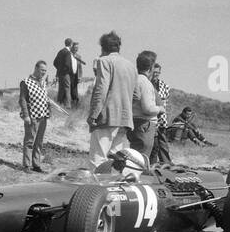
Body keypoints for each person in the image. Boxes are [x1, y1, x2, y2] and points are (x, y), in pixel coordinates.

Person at [87, 30, 135, 168]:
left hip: (107, 117)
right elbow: (135, 94)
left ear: (103, 47)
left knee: (97, 160)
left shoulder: (104, 61)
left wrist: (93, 115)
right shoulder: (130, 65)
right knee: (116, 162)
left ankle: (96, 189)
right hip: (125, 119)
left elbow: (101, 89)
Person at [18, 59, 51, 172]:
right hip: (32, 116)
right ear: (36, 68)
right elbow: (22, 99)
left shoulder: (43, 82)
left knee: (39, 141)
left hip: (43, 115)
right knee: (29, 141)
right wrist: (26, 115)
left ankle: (36, 164)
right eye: (42, 70)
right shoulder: (26, 82)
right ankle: (26, 165)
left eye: (45, 71)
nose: (43, 72)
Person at [128, 51, 161, 158]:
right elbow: (148, 108)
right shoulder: (145, 83)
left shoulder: (133, 80)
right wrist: (160, 109)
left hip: (134, 123)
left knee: (135, 156)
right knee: (141, 159)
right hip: (144, 125)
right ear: (151, 68)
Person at [149, 60, 171, 165]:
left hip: (161, 118)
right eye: (154, 72)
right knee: (153, 143)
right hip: (150, 117)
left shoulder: (164, 86)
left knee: (162, 142)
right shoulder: (146, 84)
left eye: (158, 72)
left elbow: (165, 102)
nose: (156, 74)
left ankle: (166, 163)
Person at [52, 37, 74, 107]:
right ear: (71, 44)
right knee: (67, 89)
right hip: (66, 74)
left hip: (60, 74)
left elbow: (54, 62)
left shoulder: (60, 51)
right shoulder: (68, 53)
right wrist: (68, 71)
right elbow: (68, 64)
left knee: (61, 89)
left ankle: (59, 104)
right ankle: (68, 106)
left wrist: (59, 69)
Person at [69, 40, 86, 105]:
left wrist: (80, 77)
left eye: (77, 48)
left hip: (76, 75)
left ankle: (75, 103)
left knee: (74, 89)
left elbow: (80, 67)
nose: (76, 49)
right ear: (72, 47)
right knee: (70, 90)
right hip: (70, 75)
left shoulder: (79, 56)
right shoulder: (69, 55)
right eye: (75, 47)